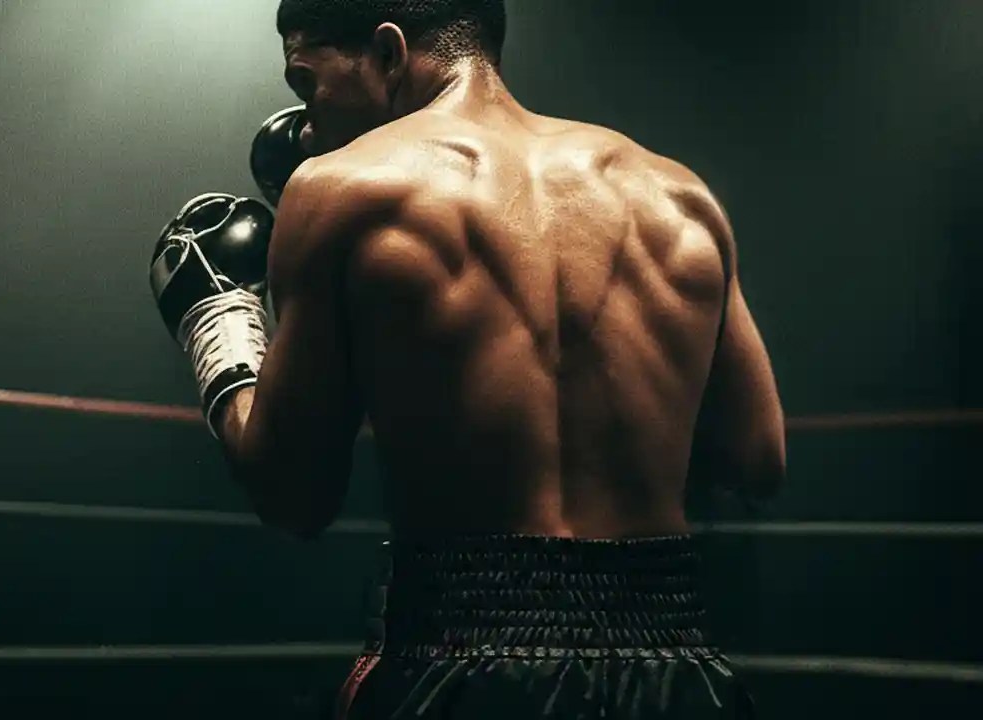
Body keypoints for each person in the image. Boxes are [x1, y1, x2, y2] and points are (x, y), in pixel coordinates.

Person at [149, 0, 786, 716]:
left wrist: (224, 333)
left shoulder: (339, 190)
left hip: (463, 661)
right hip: (678, 667)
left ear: (389, 55)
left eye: (307, 85)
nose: (303, 126)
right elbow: (757, 458)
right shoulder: (680, 193)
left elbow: (294, 496)